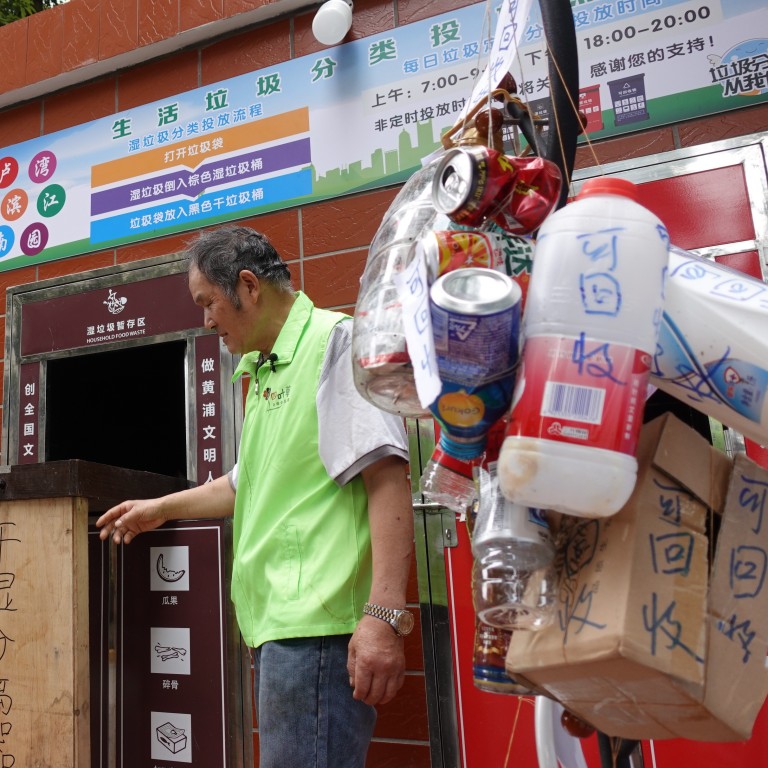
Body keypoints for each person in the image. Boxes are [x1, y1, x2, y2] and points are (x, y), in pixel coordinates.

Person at [97, 226, 415, 768]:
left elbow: (387, 478)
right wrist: (161, 508)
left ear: (247, 286)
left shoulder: (332, 344)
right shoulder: (266, 371)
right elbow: (246, 482)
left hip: (317, 633)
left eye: (209, 303)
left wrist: (383, 616)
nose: (206, 321)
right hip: (282, 632)